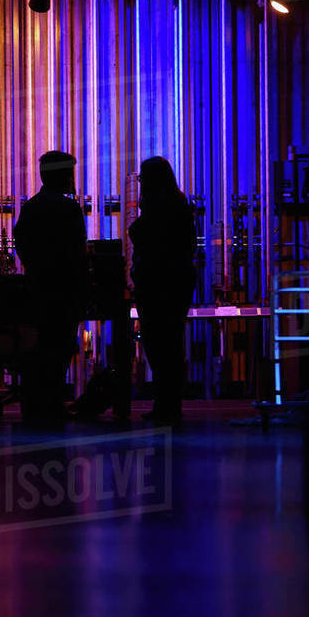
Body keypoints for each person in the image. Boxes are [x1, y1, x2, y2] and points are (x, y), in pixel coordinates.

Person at [13, 150, 88, 422]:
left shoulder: (31, 207)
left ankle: (35, 405)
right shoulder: (69, 209)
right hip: (64, 292)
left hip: (38, 289)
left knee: (38, 351)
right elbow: (78, 254)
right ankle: (54, 403)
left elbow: (22, 244)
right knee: (60, 351)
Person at [128, 156, 197, 425]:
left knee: (159, 345)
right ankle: (169, 403)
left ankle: (165, 403)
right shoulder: (178, 205)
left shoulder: (158, 207)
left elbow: (143, 236)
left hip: (157, 282)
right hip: (175, 282)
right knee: (169, 343)